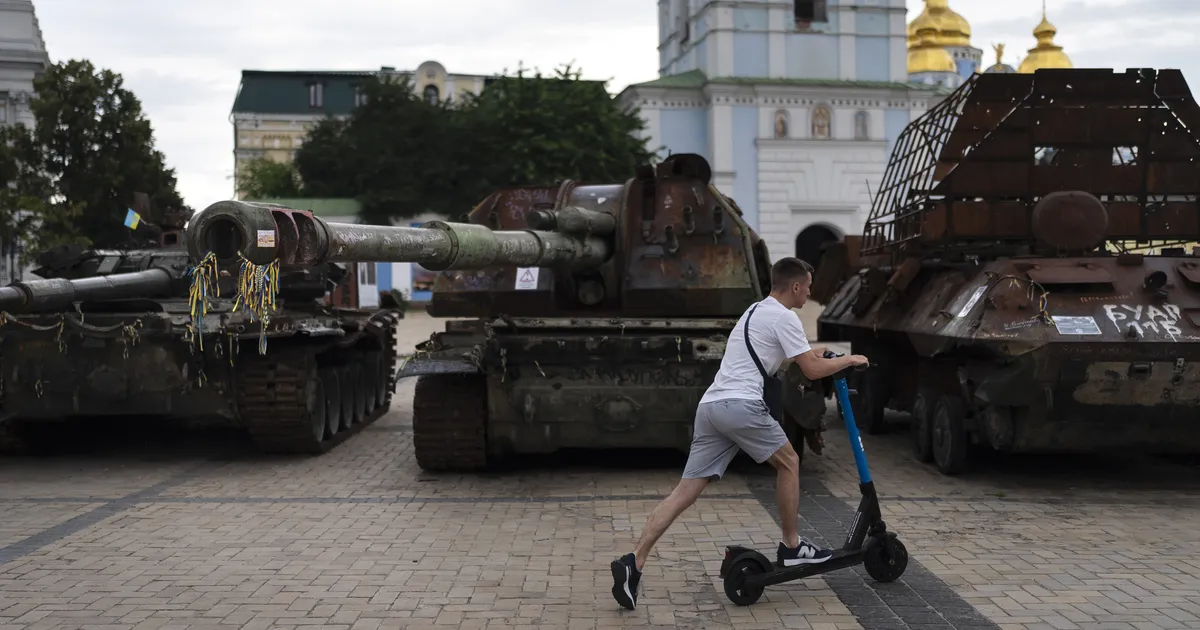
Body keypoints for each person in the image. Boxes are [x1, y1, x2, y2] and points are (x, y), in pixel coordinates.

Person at [609, 256, 870, 610]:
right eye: (807, 287)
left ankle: (633, 562)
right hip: (741, 406)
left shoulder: (755, 312)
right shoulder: (786, 316)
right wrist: (848, 361)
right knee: (790, 463)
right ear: (795, 286)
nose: (809, 293)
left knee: (684, 492)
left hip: (712, 407)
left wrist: (821, 352)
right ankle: (792, 547)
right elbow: (810, 371)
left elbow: (798, 355)